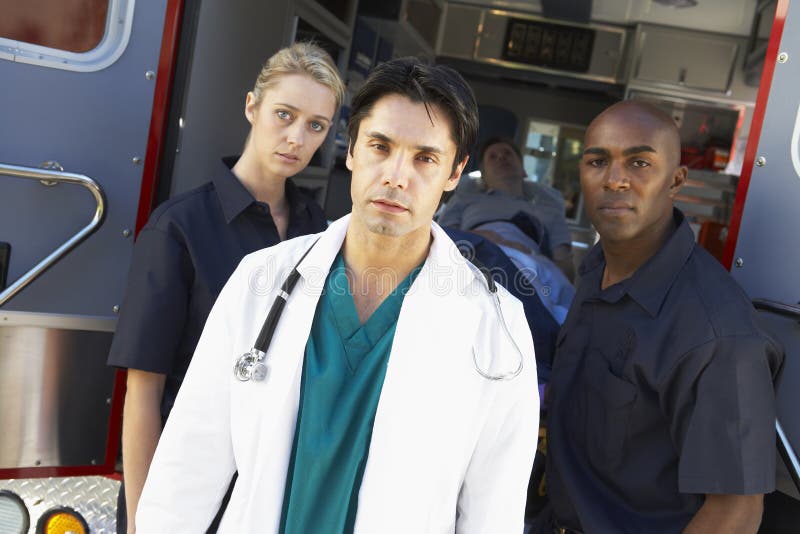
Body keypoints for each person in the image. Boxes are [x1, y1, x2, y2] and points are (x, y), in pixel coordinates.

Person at [136, 57, 539, 533]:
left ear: (455, 173)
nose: (396, 175)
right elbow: (187, 469)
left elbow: (493, 515)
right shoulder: (260, 279)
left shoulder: (498, 329)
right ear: (351, 151)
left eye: (424, 158)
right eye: (380, 146)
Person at [107, 42, 344, 533]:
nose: (296, 137)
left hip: (272, 492)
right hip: (188, 486)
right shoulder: (179, 227)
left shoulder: (318, 231)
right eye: (284, 114)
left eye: (315, 126)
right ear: (252, 106)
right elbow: (144, 389)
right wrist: (143, 521)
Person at [543, 100, 784, 533]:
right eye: (598, 161)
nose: (614, 179)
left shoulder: (717, 333)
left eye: (639, 162)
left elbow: (734, 514)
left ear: (676, 181)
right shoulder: (598, 269)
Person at [438, 137, 576, 281]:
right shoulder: (464, 199)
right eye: (493, 157)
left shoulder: (549, 208)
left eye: (508, 153)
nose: (501, 158)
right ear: (484, 176)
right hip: (472, 256)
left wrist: (527, 253)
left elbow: (565, 270)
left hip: (529, 268)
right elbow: (442, 239)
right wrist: (484, 239)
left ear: (523, 169)